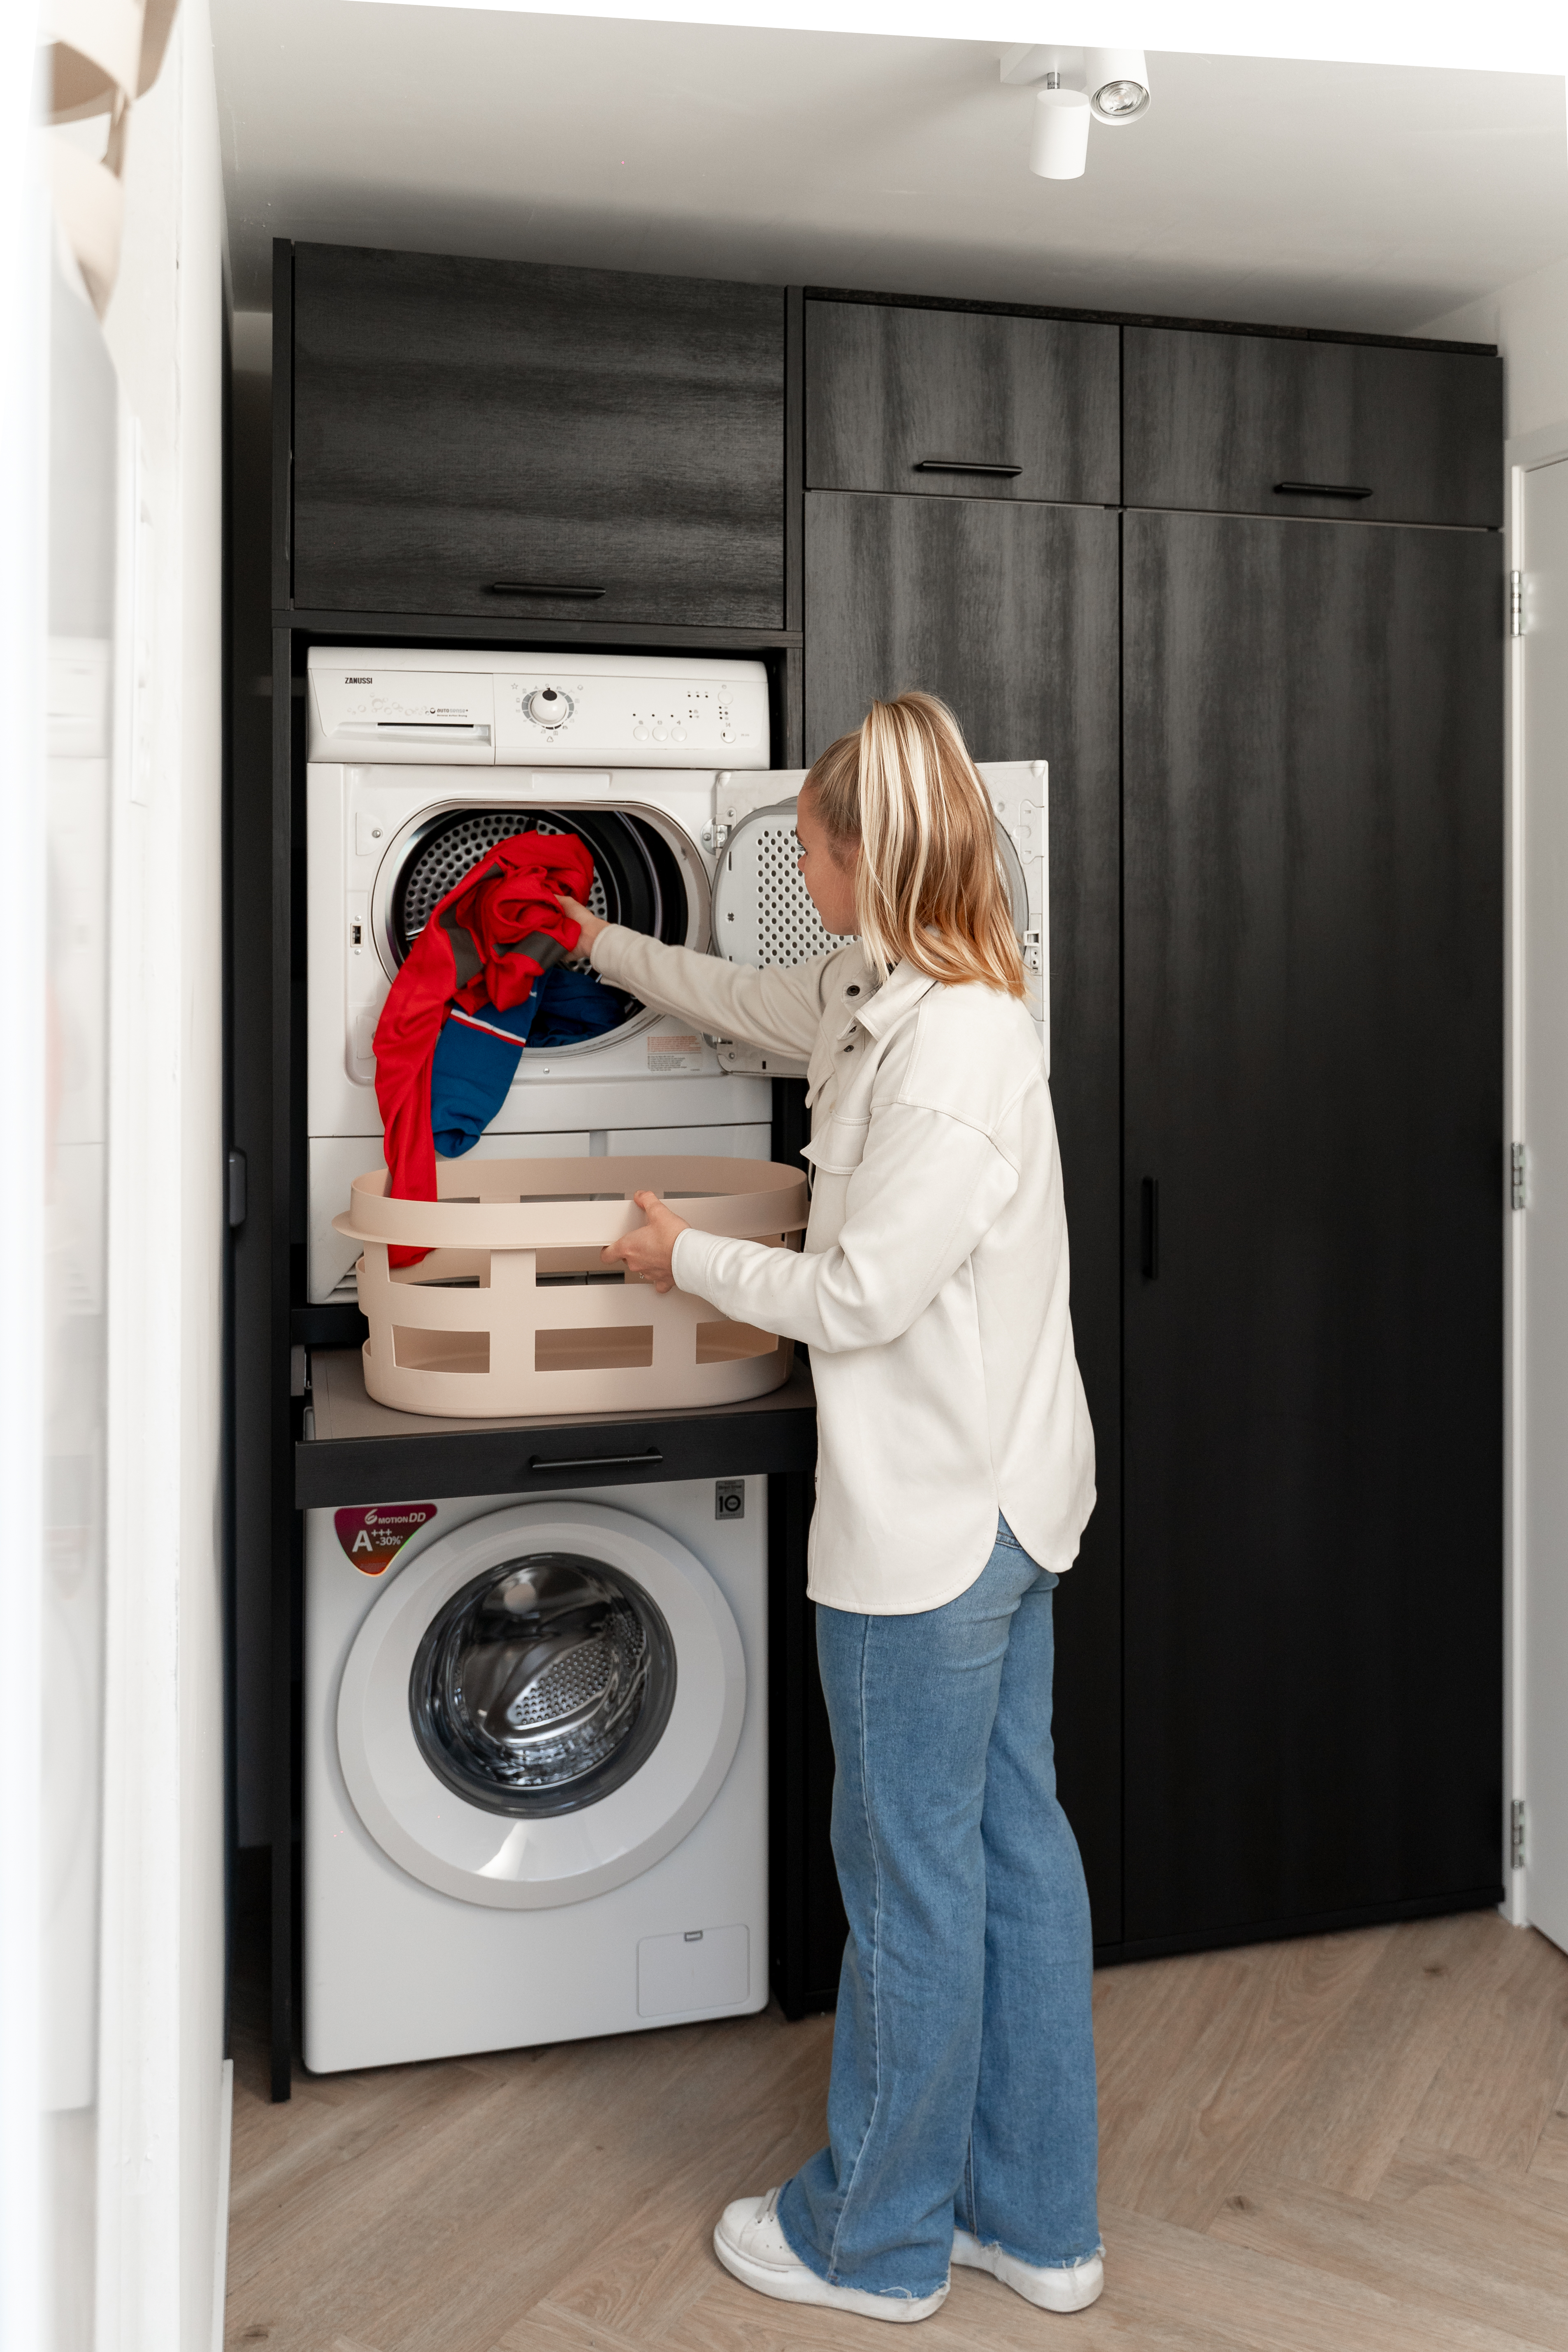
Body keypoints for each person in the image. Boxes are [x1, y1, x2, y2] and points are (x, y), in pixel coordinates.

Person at [557, 691, 1101, 2326]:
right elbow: (744, 994)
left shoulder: (949, 1056)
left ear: (875, 855)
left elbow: (858, 1296)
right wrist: (596, 941)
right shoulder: (891, 992)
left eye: (811, 848)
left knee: (910, 1884)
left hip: (934, 1530)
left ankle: (869, 2241)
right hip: (1005, 1500)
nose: (796, 871)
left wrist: (679, 1257)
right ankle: (1034, 2220)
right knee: (1007, 1851)